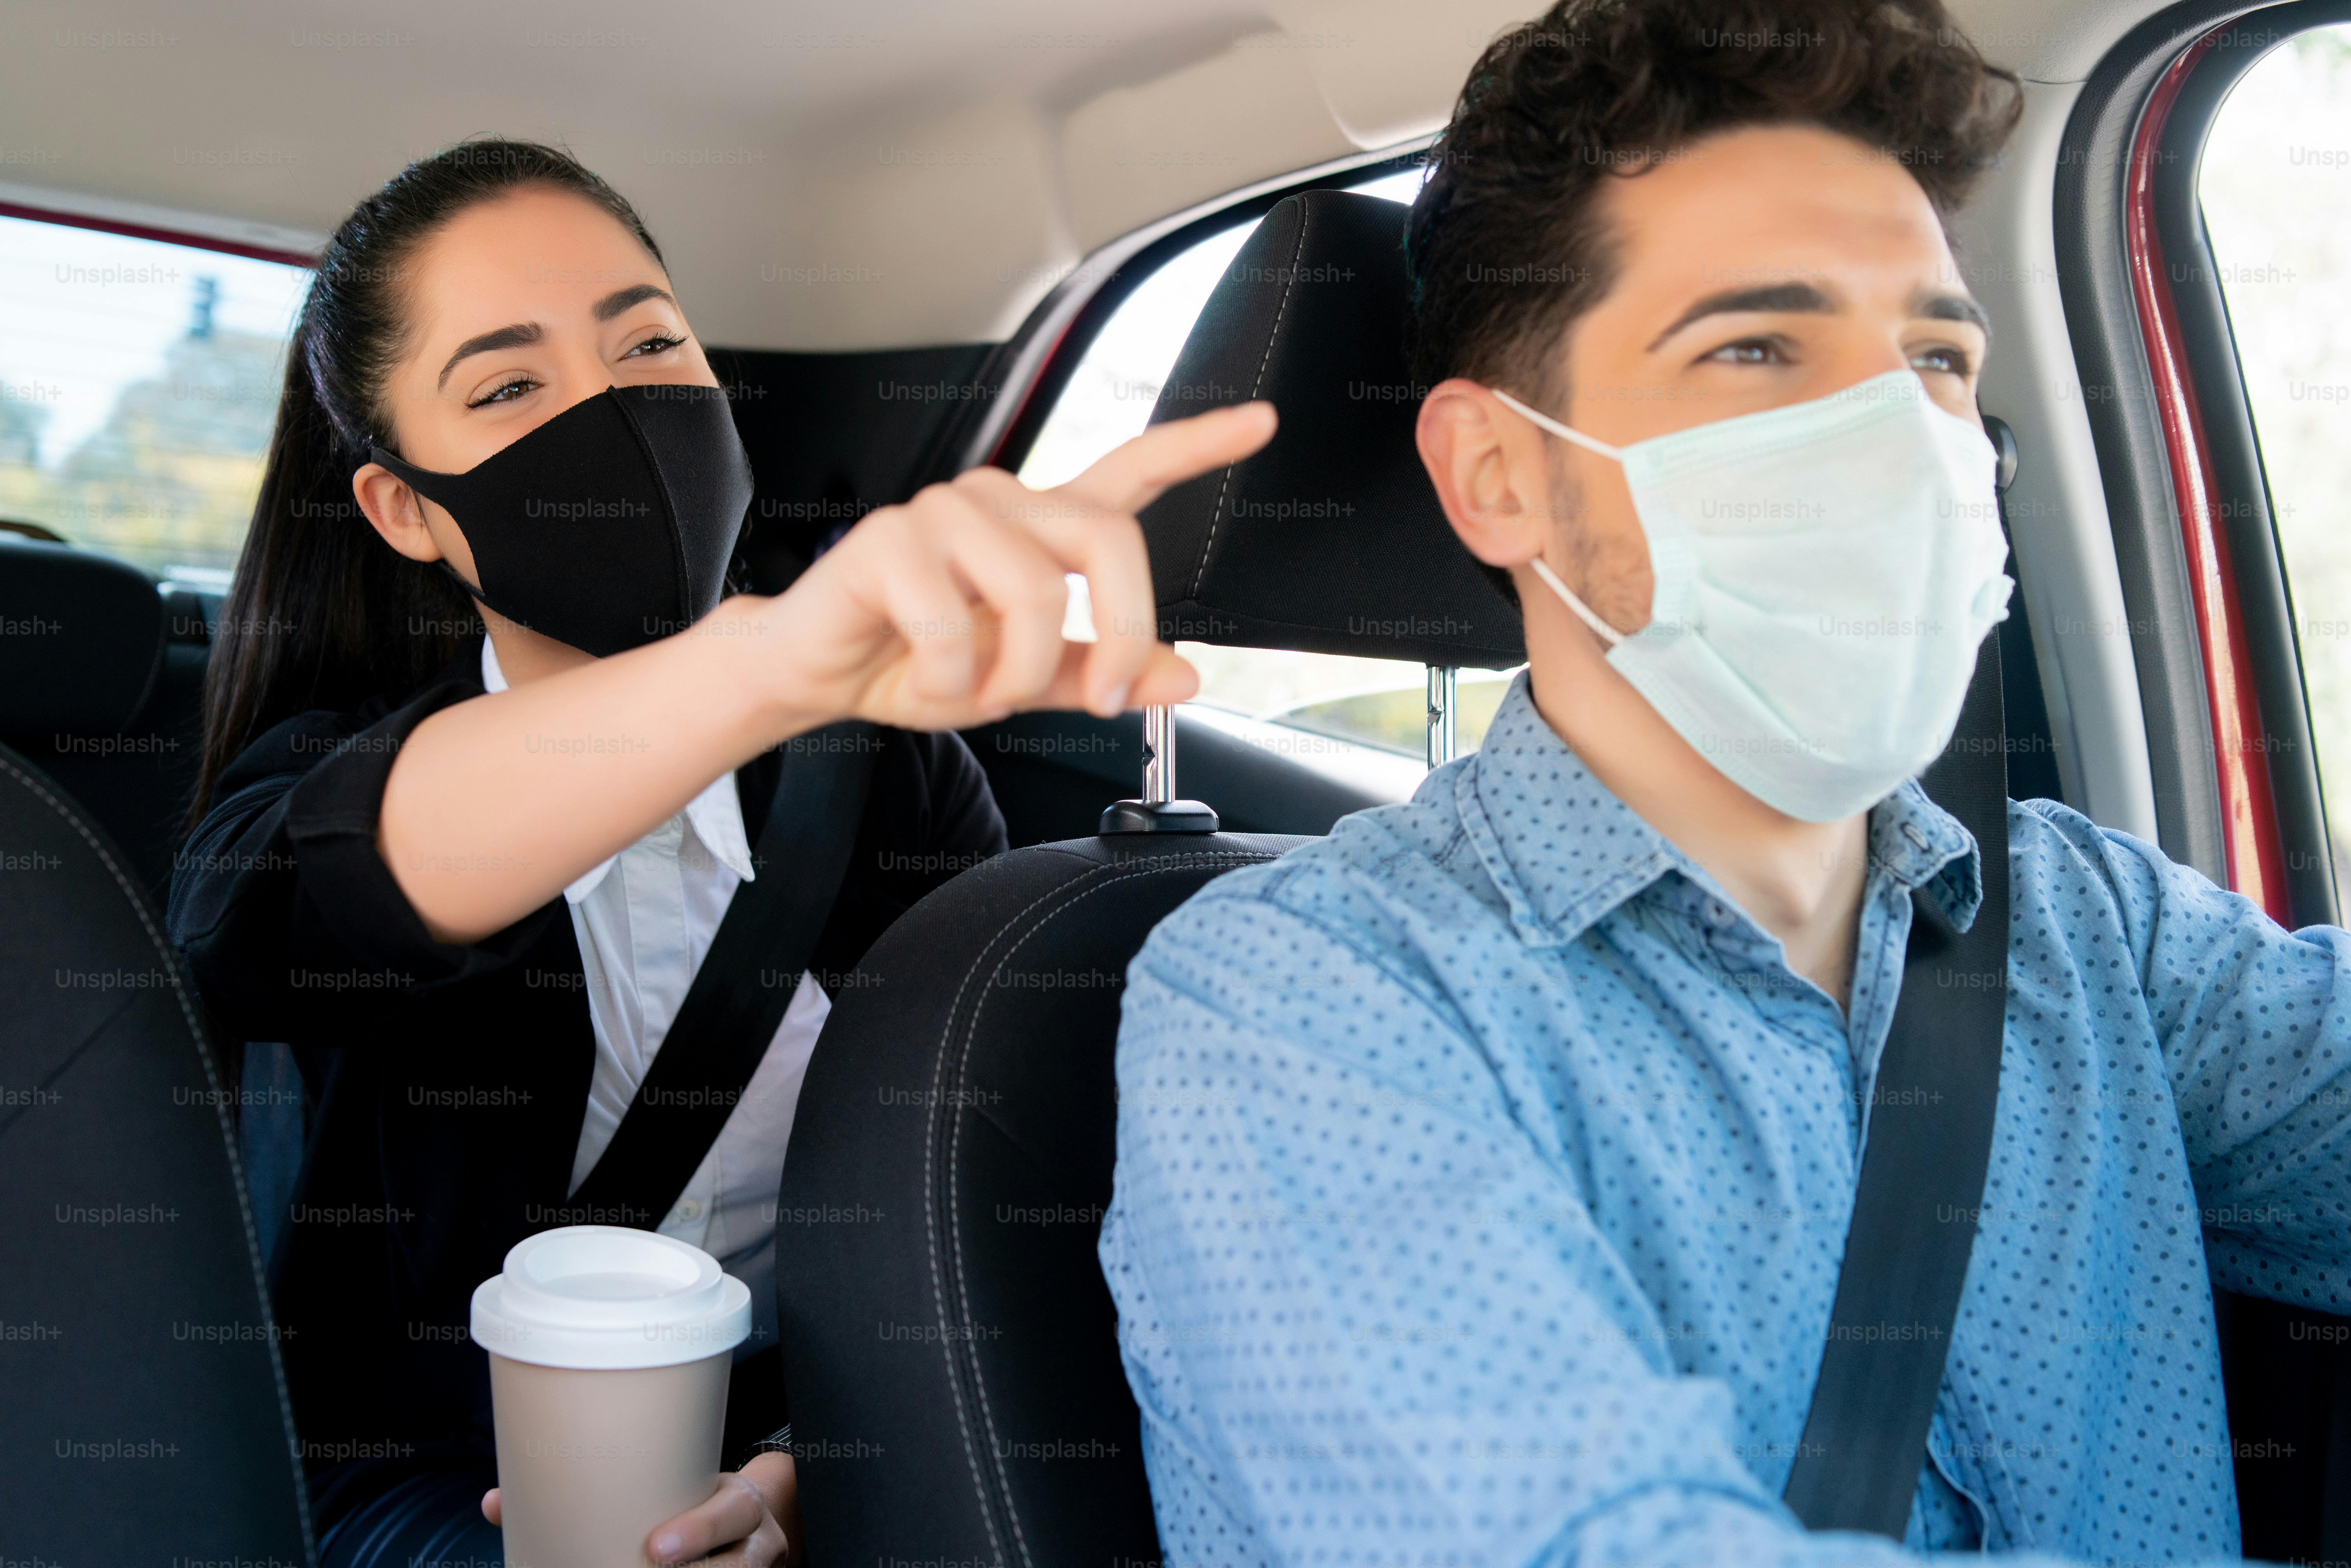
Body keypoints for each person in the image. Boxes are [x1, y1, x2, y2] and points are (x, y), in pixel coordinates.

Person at [1099, 3, 2350, 1565]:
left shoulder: (2095, 924)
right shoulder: (1305, 1004)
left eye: (1937, 358)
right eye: (1756, 347)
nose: (1899, 437)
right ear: (1498, 473)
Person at [168, 140, 1273, 1568]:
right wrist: (768, 663)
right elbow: (303, 900)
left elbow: (967, 1192)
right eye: (509, 387)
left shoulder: (883, 778)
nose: (613, 412)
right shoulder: (323, 786)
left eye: (646, 345)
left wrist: (807, 1470)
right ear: (408, 509)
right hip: (432, 1479)